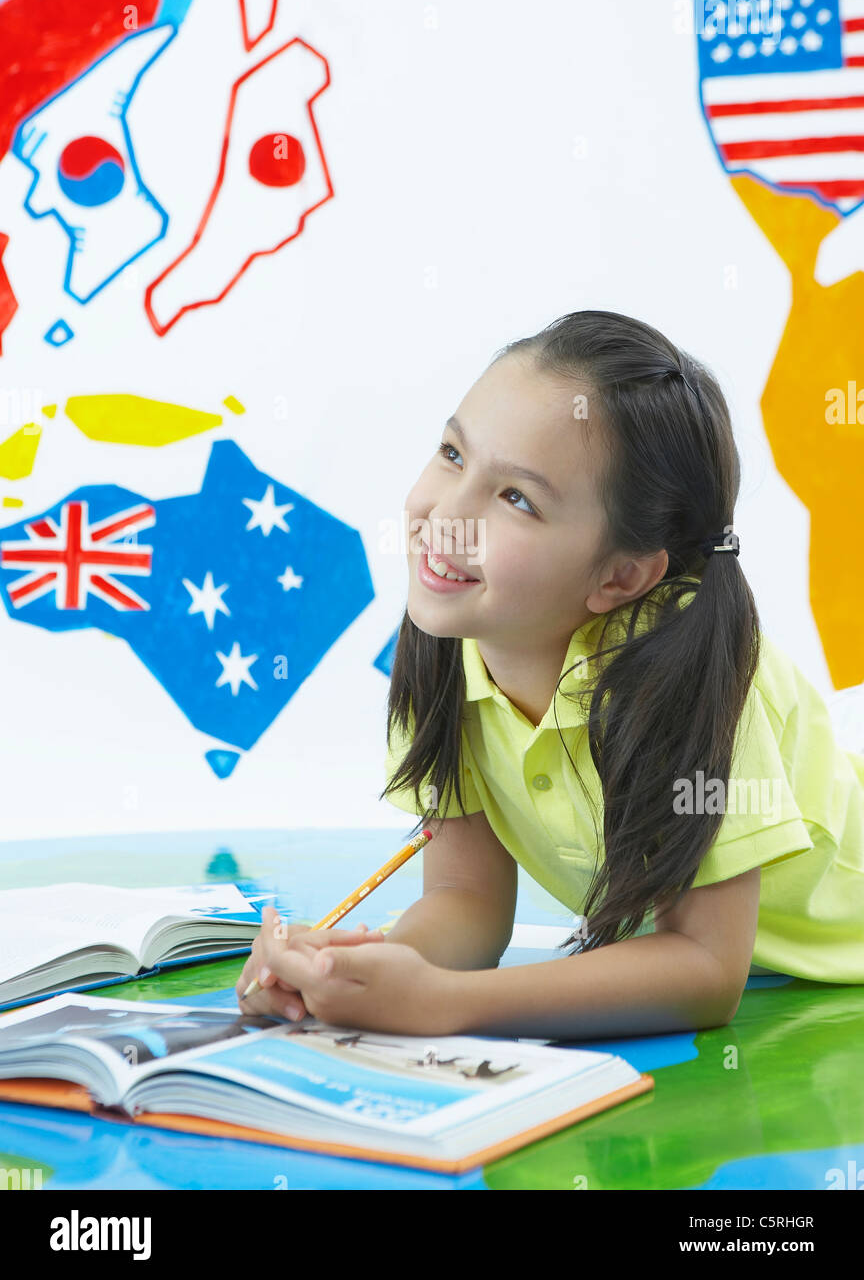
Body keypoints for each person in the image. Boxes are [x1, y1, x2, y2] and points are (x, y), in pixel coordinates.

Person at [236, 309, 864, 1041]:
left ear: (621, 576)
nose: (448, 519)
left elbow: (704, 970)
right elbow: (467, 899)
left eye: (517, 500)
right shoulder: (453, 638)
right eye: (451, 453)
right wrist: (348, 972)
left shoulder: (679, 672)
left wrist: (443, 1003)